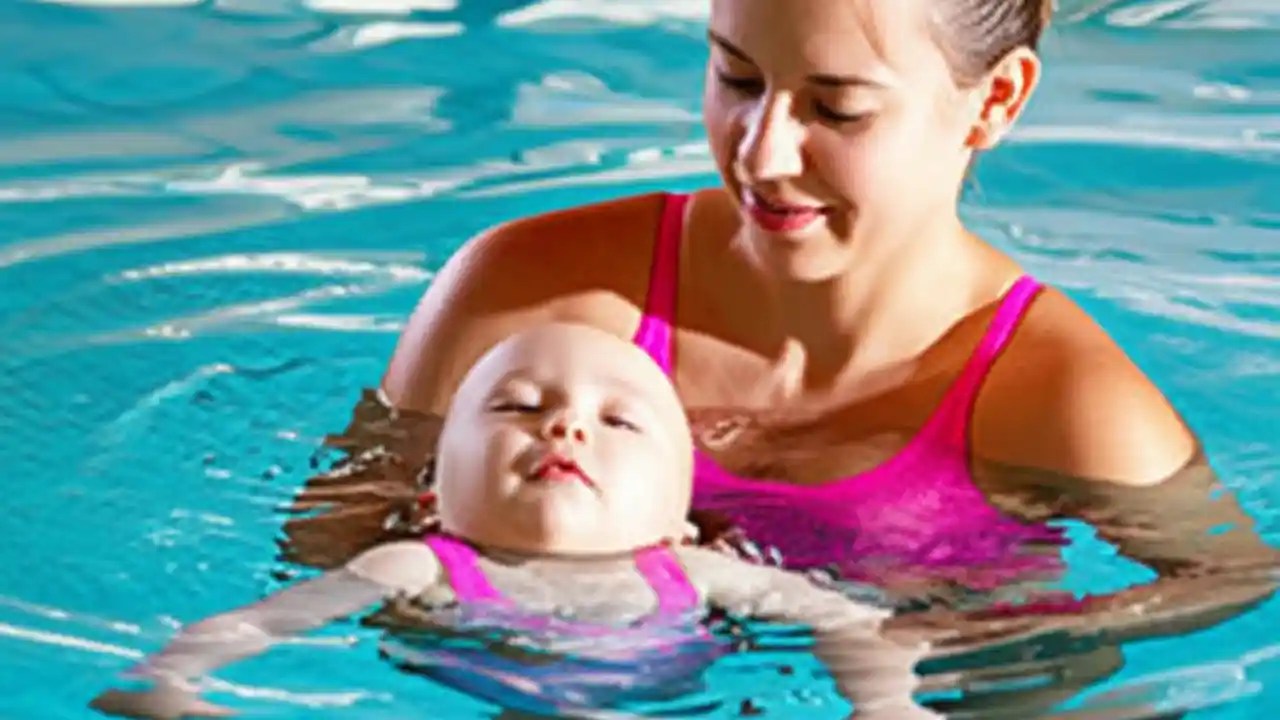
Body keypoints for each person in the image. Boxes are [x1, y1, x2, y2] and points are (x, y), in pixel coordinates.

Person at [371, 0, 1276, 600]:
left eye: (838, 111)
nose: (760, 156)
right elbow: (339, 545)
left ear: (995, 100)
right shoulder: (532, 298)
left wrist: (1018, 637)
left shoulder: (1056, 401)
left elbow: (1231, 585)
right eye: (736, 79)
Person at [91, 323, 931, 720]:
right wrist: (173, 681)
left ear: (679, 520)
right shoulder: (416, 567)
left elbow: (844, 614)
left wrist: (885, 703)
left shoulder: (695, 573)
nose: (564, 428)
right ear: (433, 500)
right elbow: (257, 624)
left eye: (619, 422)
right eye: (520, 407)